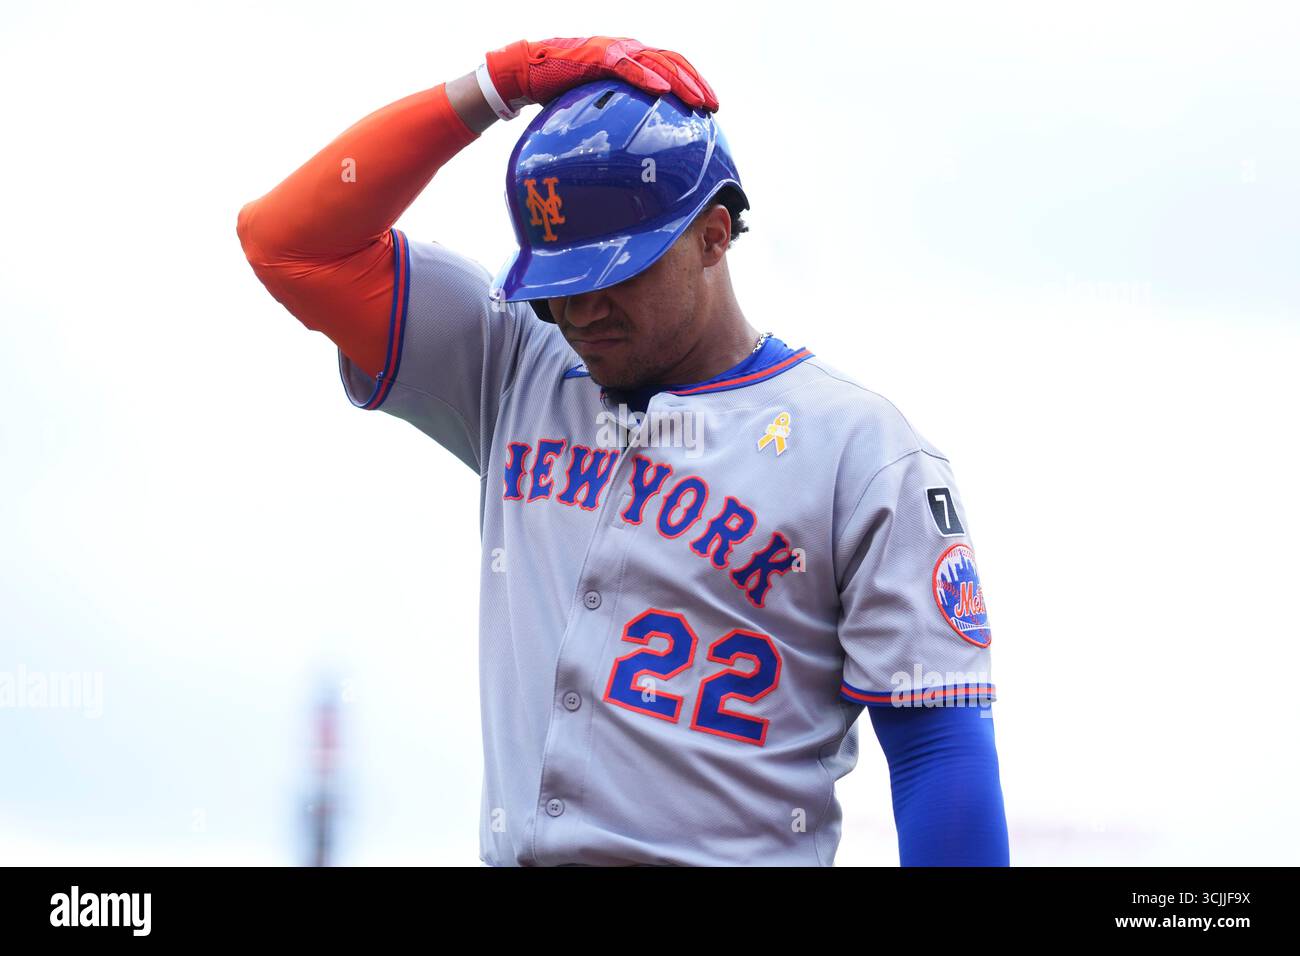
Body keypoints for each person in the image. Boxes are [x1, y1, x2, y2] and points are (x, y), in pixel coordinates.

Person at [237, 35, 1010, 867]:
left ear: (715, 235)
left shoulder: (864, 453)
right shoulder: (515, 365)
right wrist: (495, 86)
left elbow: (938, 753)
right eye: (560, 286)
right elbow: (287, 243)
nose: (581, 312)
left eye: (617, 274)